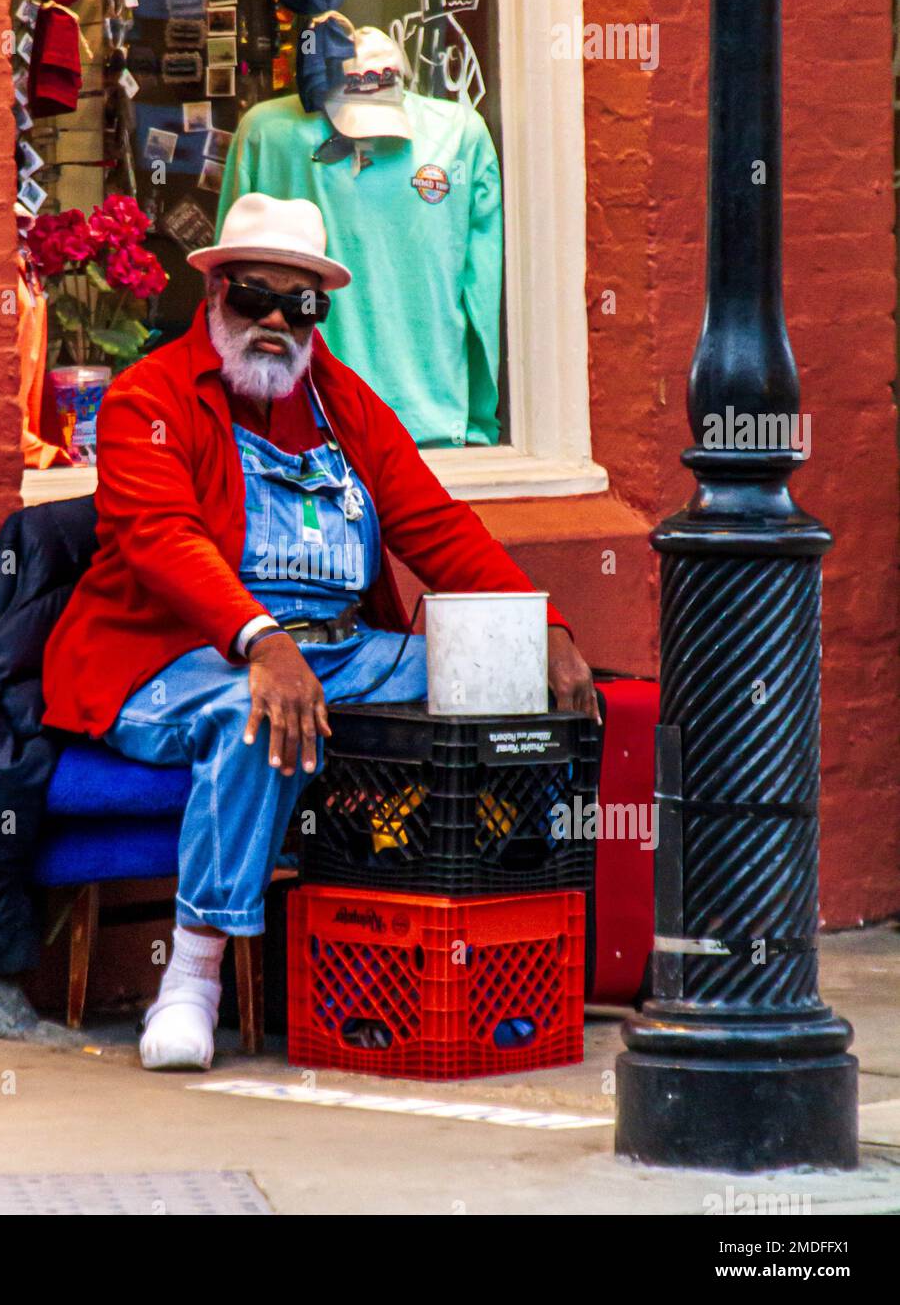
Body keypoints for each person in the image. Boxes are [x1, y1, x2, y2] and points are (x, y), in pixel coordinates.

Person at [42, 192, 597, 1071]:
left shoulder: (346, 404)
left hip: (336, 649)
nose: (273, 320)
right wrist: (261, 641)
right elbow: (160, 539)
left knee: (498, 688)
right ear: (212, 294)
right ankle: (190, 979)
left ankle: (492, 929)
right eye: (251, 297)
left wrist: (543, 628)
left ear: (319, 314)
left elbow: (435, 526)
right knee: (252, 716)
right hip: (169, 659)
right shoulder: (146, 398)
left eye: (298, 304)